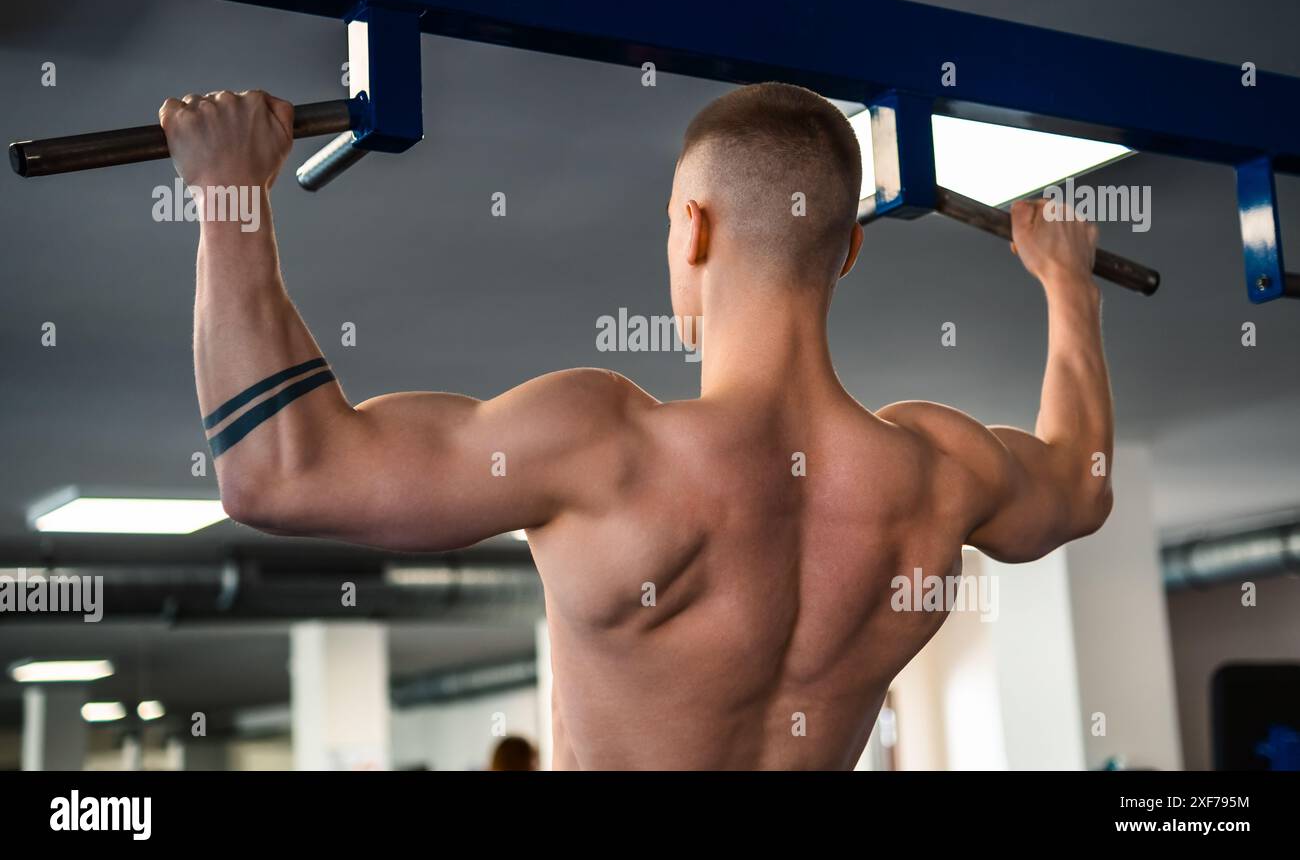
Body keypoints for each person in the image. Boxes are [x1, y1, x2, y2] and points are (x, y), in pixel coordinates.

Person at [160, 82, 1113, 770]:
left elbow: (277, 471)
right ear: (851, 249)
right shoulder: (936, 471)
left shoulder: (607, 448)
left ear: (691, 229)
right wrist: (1067, 286)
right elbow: (1081, 483)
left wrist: (228, 194)